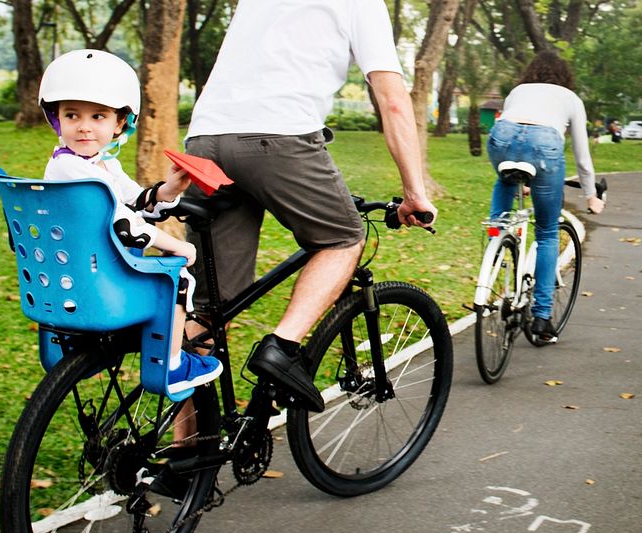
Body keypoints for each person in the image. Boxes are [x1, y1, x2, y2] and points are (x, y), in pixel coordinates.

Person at [183, 0, 435, 412]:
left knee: (210, 314)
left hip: (204, 141)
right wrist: (414, 192)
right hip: (277, 135)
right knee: (343, 238)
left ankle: (185, 463)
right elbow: (392, 100)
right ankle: (280, 350)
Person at [39, 49, 223, 394]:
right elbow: (125, 224)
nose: (84, 127)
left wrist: (167, 190)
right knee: (177, 280)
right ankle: (171, 366)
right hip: (92, 276)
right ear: (56, 119)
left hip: (84, 270)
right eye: (72, 115)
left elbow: (135, 201)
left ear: (119, 123)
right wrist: (175, 245)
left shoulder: (101, 165)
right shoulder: (71, 169)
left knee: (162, 274)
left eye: (98, 116)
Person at [486, 50, 605, 343]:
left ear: (532, 72)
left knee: (503, 181)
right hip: (544, 148)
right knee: (548, 231)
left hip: (501, 138)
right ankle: (541, 318)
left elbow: (516, 130)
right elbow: (581, 154)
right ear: (564, 75)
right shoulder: (570, 99)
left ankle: (496, 242)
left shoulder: (517, 91)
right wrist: (591, 196)